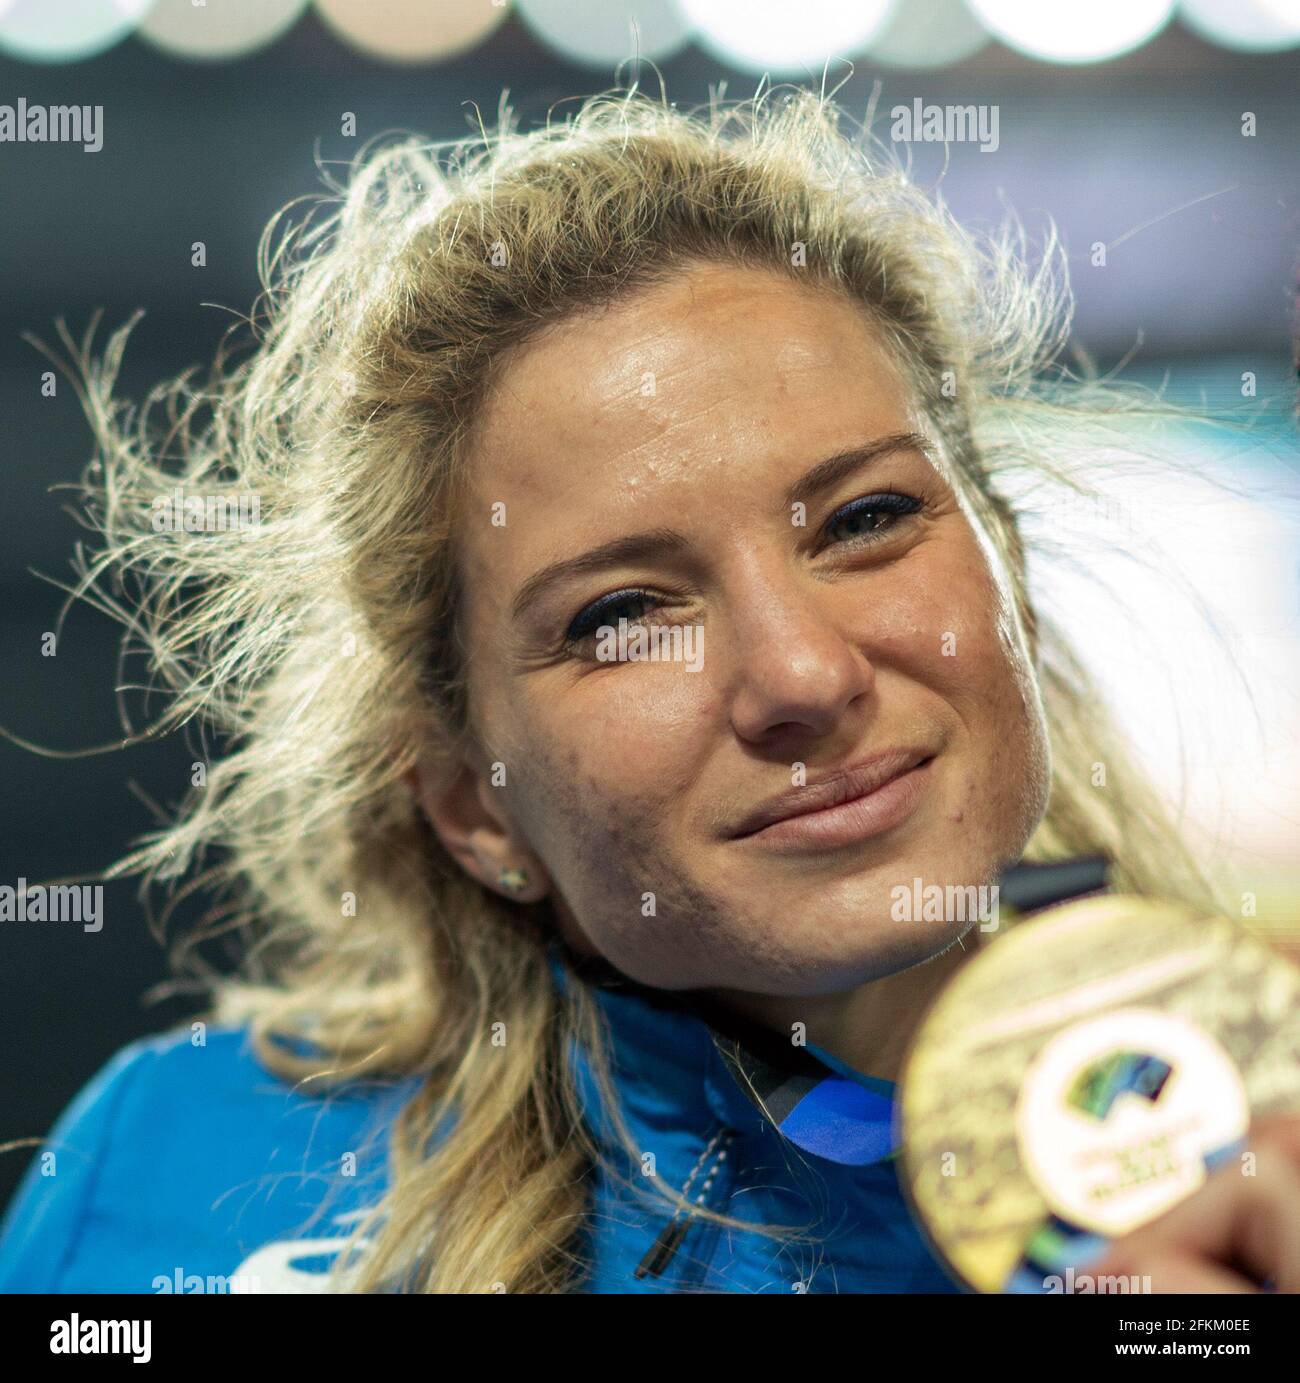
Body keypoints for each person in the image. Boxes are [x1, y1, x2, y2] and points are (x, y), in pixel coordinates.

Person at [1, 86, 1296, 1295]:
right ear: (474, 807)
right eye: (622, 615)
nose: (803, 674)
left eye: (866, 518)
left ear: (1003, 561)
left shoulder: (1270, 1127)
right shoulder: (174, 1180)